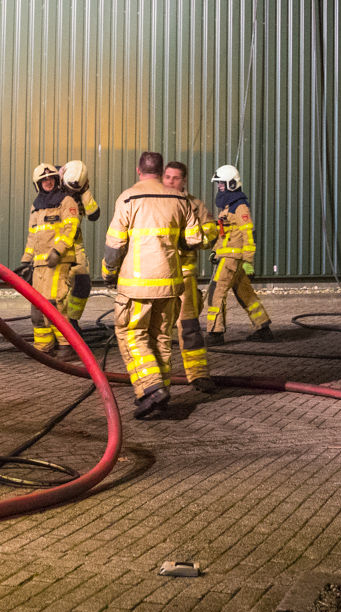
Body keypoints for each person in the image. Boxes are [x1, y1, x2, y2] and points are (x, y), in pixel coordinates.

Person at [101, 150, 206, 417]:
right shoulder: (180, 198)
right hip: (170, 284)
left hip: (136, 285)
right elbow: (195, 239)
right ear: (160, 172)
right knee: (160, 337)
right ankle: (158, 395)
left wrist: (109, 271)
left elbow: (114, 245)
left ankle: (151, 387)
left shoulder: (128, 197)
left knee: (132, 334)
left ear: (139, 170)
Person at [203, 163, 271, 343]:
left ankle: (215, 333)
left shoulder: (239, 207)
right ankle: (263, 327)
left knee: (216, 292)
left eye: (222, 184)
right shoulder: (228, 207)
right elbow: (225, 234)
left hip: (232, 259)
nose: (219, 187)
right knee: (244, 292)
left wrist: (249, 260)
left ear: (231, 184)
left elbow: (248, 234)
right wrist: (215, 251)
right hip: (230, 257)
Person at [162, 160, 219, 368]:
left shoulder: (195, 206)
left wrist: (191, 242)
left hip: (185, 276)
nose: (170, 181)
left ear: (184, 180)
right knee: (159, 330)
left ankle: (198, 374)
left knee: (190, 327)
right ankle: (158, 378)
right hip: (159, 276)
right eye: (167, 177)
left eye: (175, 178)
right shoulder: (154, 204)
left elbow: (211, 232)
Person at [17, 163, 79, 354]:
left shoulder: (66, 201)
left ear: (56, 180)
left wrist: (58, 251)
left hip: (58, 263)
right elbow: (32, 236)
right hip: (40, 265)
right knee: (37, 307)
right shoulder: (36, 206)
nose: (48, 182)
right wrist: (26, 260)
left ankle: (67, 347)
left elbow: (71, 229)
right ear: (38, 183)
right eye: (43, 180)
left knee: (55, 306)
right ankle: (43, 348)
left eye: (51, 178)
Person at [58, 159, 100, 335]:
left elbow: (94, 215)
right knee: (58, 289)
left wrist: (84, 192)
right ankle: (59, 327)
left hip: (75, 245)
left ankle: (72, 321)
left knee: (82, 284)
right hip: (56, 245)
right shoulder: (51, 182)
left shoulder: (81, 190)